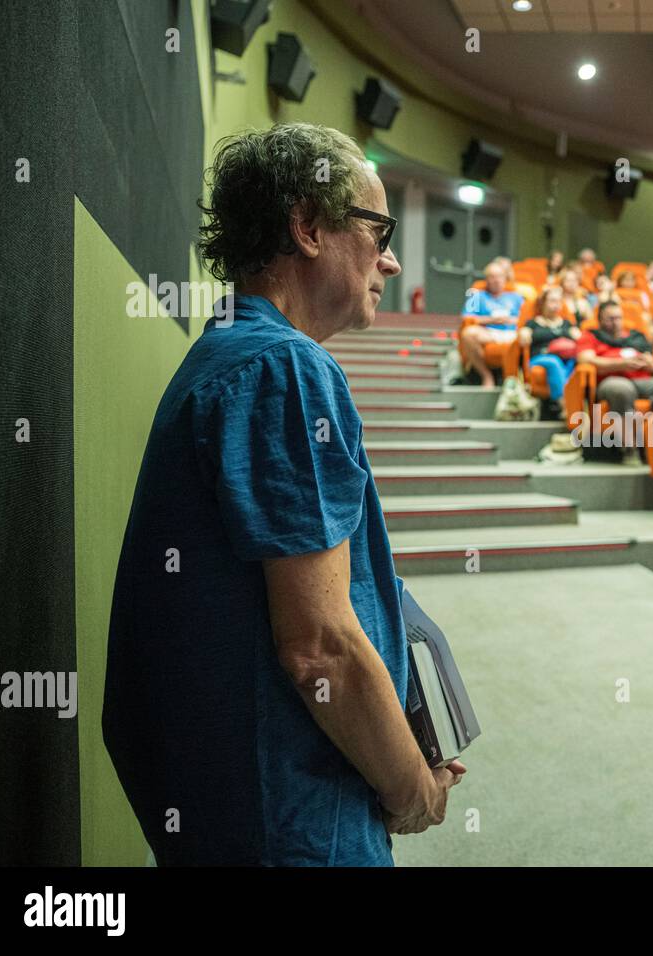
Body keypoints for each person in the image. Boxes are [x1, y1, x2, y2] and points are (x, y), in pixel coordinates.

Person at [103, 123, 462, 866]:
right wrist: (411, 790)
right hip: (289, 823)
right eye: (378, 231)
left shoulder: (228, 353)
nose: (391, 260)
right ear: (306, 226)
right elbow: (321, 648)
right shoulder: (283, 370)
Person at [576, 300, 653, 464]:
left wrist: (650, 364)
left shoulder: (636, 337)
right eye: (610, 319)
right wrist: (621, 364)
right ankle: (629, 449)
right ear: (600, 320)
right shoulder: (591, 336)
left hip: (641, 379)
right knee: (621, 389)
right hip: (610, 380)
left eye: (619, 318)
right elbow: (585, 360)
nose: (616, 322)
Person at [460, 261, 525, 387]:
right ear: (486, 279)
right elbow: (466, 317)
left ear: (505, 278)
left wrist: (512, 320)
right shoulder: (476, 295)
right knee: (468, 334)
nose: (496, 280)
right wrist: (491, 320)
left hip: (512, 332)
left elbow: (527, 318)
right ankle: (486, 375)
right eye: (492, 277)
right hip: (489, 332)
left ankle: (518, 382)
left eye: (499, 276)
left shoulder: (516, 296)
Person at [520, 285, 580, 411]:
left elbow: (580, 339)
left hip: (565, 358)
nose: (556, 305)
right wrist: (524, 334)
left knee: (575, 363)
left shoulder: (567, 324)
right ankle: (564, 405)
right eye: (552, 301)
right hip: (541, 357)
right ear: (543, 303)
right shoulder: (533, 323)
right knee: (554, 362)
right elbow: (523, 337)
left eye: (558, 301)